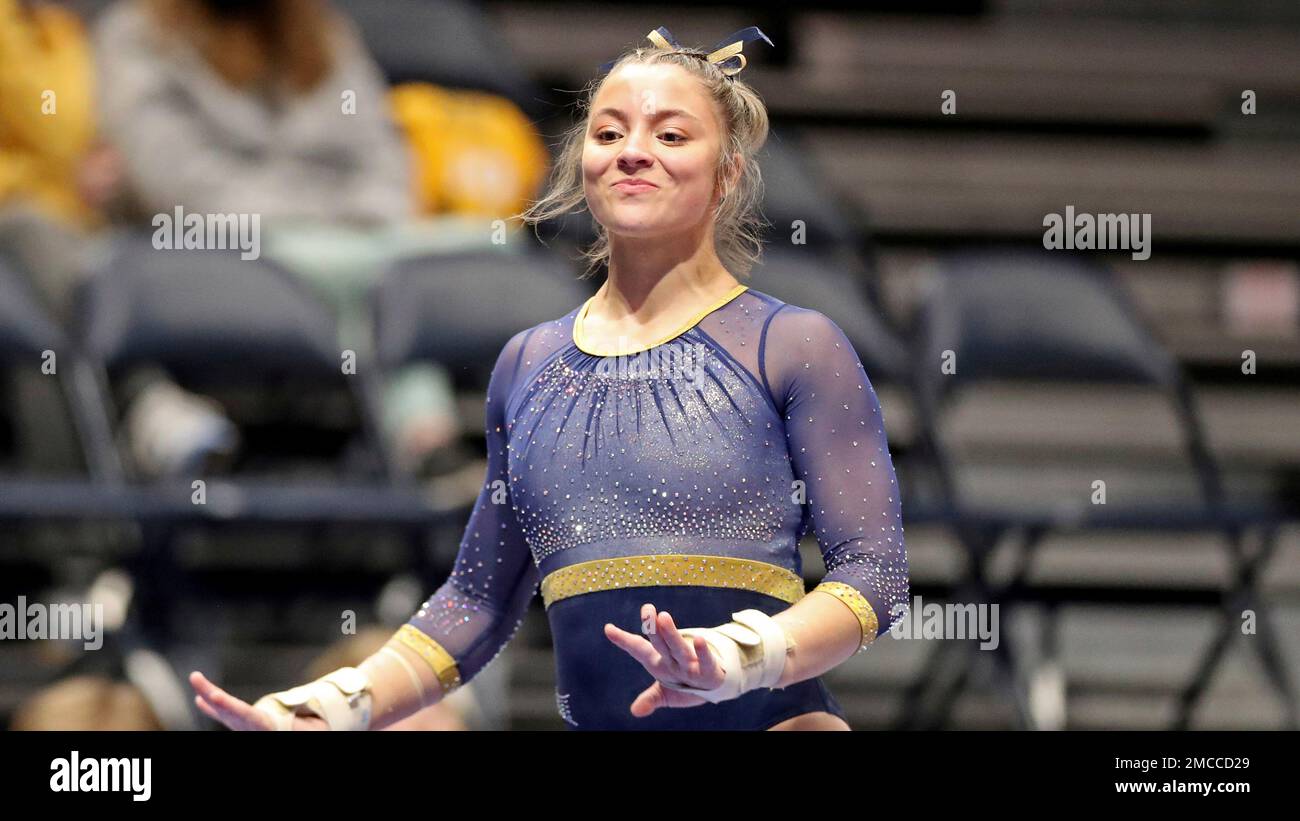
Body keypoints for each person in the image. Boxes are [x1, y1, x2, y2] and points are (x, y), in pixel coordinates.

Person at [189, 25, 909, 731]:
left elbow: (875, 573)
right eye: (608, 133)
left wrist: (743, 654)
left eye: (670, 135)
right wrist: (342, 701)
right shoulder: (528, 365)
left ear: (727, 173)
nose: (632, 152)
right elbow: (475, 600)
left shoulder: (791, 345)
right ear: (580, 163)